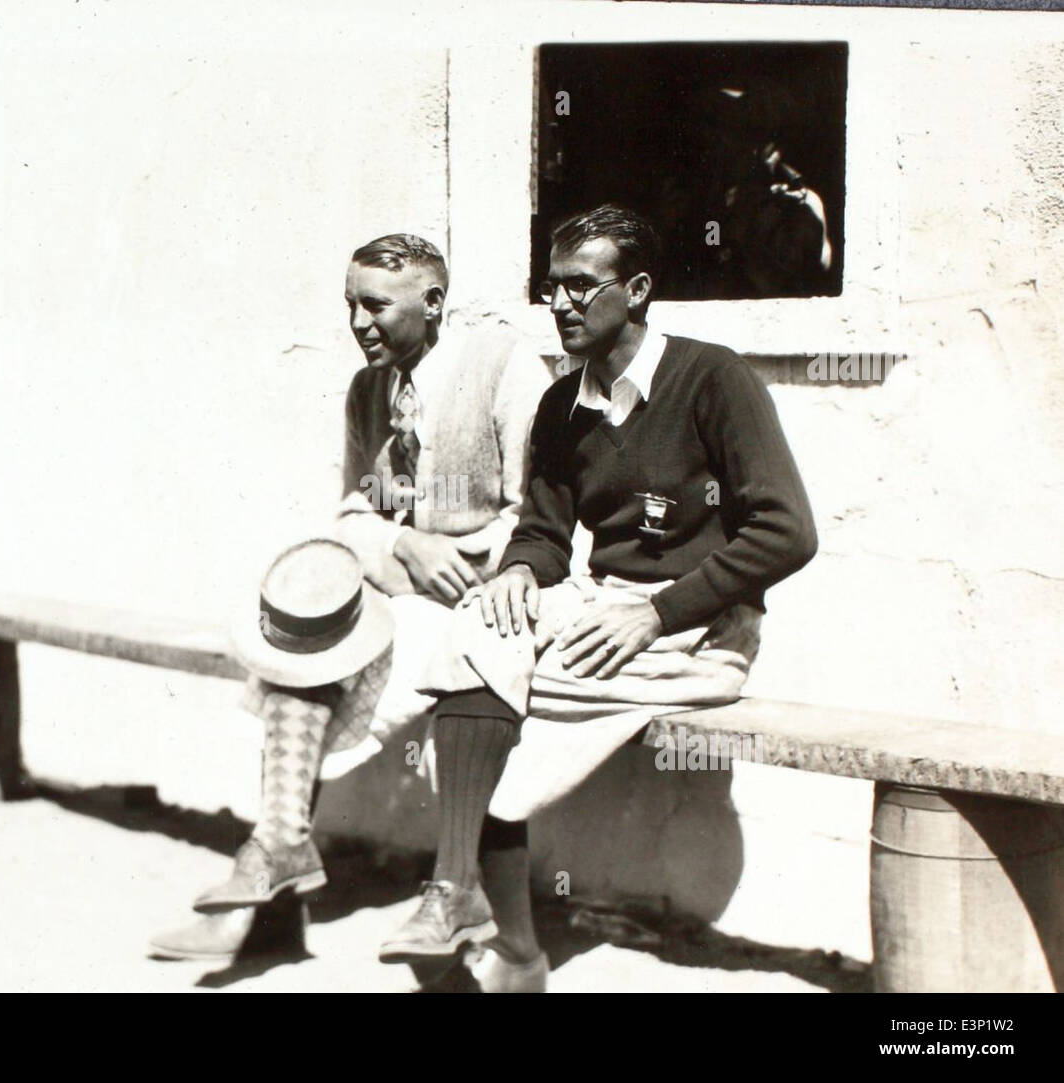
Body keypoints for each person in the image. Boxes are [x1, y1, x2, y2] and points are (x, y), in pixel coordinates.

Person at [383, 205, 818, 991]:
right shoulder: (561, 405)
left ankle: (505, 942)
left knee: (484, 712)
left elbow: (787, 532)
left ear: (639, 289)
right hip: (599, 603)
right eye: (553, 288)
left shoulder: (713, 379)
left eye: (582, 287)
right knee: (476, 628)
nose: (561, 305)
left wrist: (656, 611)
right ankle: (462, 899)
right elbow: (545, 534)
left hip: (699, 624)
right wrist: (518, 569)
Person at [148, 235, 551, 975]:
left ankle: (287, 867)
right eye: (349, 306)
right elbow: (353, 514)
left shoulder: (503, 366)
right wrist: (404, 547)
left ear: (433, 302)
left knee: (330, 679)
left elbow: (541, 512)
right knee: (288, 657)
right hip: (409, 588)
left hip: (490, 593)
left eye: (375, 305)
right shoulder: (371, 389)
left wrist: (453, 556)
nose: (359, 322)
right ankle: (277, 863)